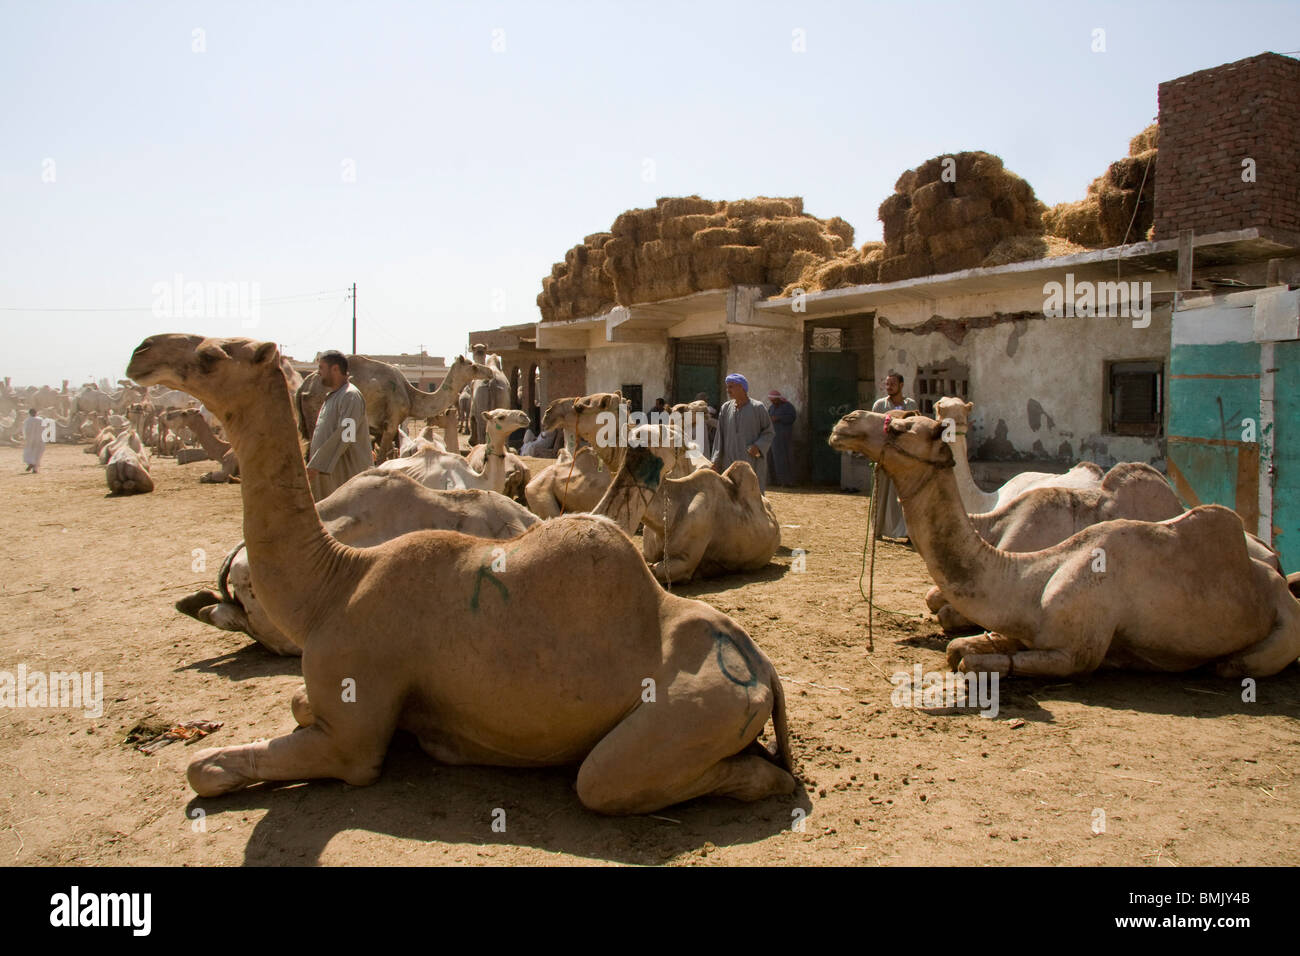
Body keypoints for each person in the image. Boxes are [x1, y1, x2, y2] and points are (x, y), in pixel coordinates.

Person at [306, 350, 371, 500]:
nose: (318, 372)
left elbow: (346, 435)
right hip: (328, 474)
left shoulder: (350, 396)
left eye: (321, 368)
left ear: (335, 369)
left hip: (344, 475)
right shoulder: (334, 396)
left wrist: (317, 464)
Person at [869, 372, 919, 540]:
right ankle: (878, 529)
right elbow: (874, 430)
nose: (889, 387)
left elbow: (915, 428)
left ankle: (907, 533)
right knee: (881, 493)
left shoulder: (910, 404)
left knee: (904, 495)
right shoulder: (879, 405)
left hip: (904, 458)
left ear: (901, 385)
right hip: (884, 455)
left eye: (892, 383)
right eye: (887, 384)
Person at [711, 373, 774, 494]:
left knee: (751, 497)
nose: (728, 390)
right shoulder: (725, 408)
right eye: (727, 387)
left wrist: (758, 446)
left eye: (731, 387)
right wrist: (715, 461)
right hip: (728, 464)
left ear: (742, 388)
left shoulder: (758, 408)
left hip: (750, 463)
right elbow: (719, 438)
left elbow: (769, 432)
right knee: (730, 498)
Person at [766, 390, 797, 487]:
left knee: (784, 459)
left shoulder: (788, 407)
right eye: (772, 401)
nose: (773, 402)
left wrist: (779, 418)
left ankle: (787, 481)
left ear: (778, 399)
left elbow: (792, 418)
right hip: (773, 438)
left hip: (784, 437)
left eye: (774, 400)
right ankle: (775, 481)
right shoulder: (771, 408)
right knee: (772, 460)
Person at [23, 408, 45, 474]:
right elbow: (44, 428)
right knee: (38, 453)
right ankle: (35, 469)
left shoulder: (27, 420)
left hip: (30, 440)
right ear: (36, 413)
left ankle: (31, 463)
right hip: (40, 439)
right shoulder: (41, 420)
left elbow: (25, 430)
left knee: (29, 452)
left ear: (29, 413)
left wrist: (26, 438)